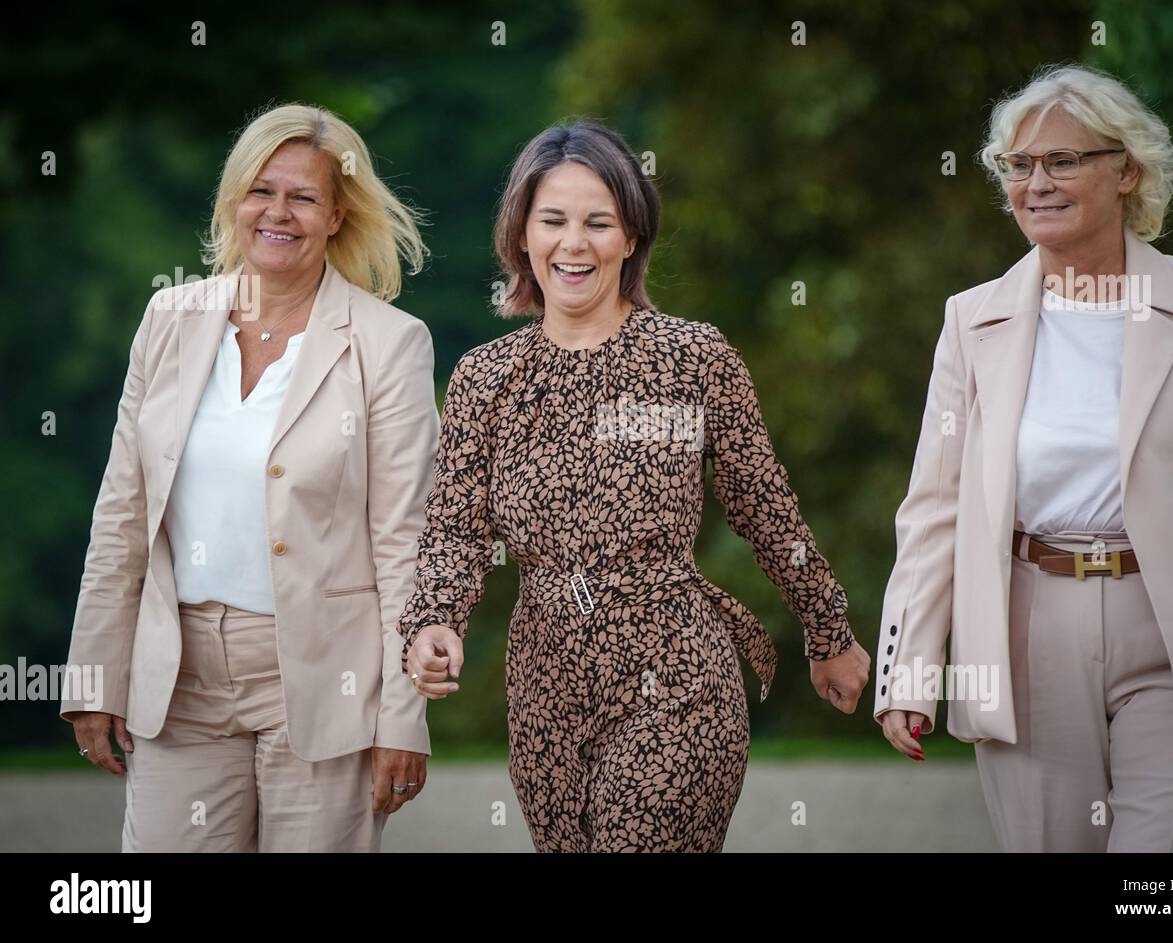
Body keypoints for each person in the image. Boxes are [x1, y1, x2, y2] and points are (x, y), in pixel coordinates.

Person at [399, 120, 871, 852]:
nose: (574, 243)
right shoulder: (485, 378)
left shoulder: (693, 358)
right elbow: (456, 529)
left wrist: (829, 630)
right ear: (522, 235)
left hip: (676, 668)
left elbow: (767, 510)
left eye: (599, 222)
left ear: (632, 235)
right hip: (544, 681)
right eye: (553, 221)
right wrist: (434, 621)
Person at [874, 65, 1173, 851]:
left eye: (1063, 161)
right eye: (1020, 165)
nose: (1037, 182)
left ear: (1126, 170)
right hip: (1024, 635)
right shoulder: (972, 322)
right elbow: (934, 508)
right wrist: (907, 668)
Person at [61, 103, 437, 851]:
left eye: (304, 197)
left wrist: (403, 714)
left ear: (336, 215)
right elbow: (123, 516)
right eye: (261, 190)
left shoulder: (390, 344)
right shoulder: (168, 319)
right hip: (180, 676)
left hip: (327, 682)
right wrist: (94, 676)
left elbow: (405, 545)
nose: (279, 212)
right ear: (235, 201)